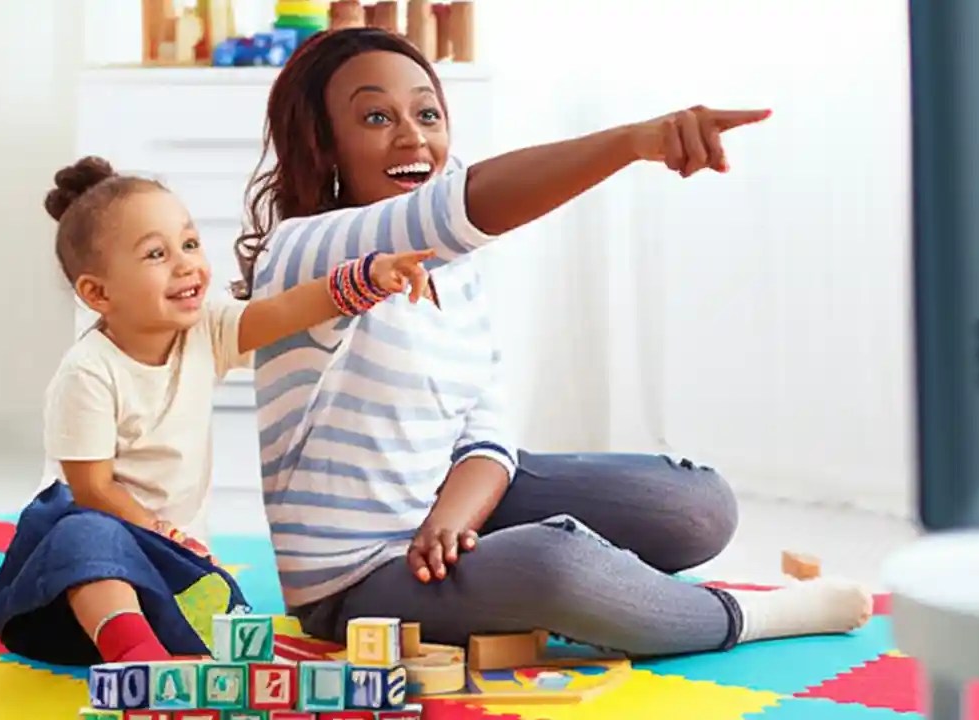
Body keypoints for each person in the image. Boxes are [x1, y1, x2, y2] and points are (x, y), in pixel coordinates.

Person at [233, 27, 872, 656]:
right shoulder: (302, 251)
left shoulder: (453, 271)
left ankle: (595, 588)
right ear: (324, 146)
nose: (413, 136)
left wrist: (454, 518)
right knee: (555, 563)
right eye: (376, 117)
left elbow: (485, 427)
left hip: (445, 518)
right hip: (358, 583)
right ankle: (747, 614)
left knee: (697, 506)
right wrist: (632, 142)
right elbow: (456, 208)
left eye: (426, 112)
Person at [0, 155, 436, 666]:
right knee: (86, 528)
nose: (186, 264)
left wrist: (368, 276)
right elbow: (93, 489)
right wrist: (163, 533)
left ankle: (159, 646)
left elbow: (282, 312)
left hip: (169, 570)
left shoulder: (204, 332)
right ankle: (137, 660)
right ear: (98, 292)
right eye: (156, 254)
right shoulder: (87, 371)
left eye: (190, 244)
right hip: (70, 587)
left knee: (229, 616)